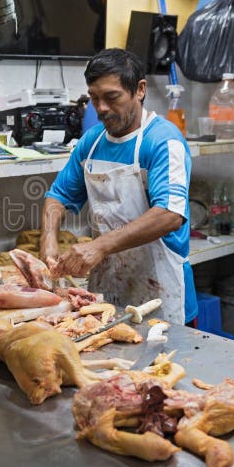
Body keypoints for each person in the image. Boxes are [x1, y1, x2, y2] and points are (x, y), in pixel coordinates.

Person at [41, 49, 196, 324]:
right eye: (94, 98)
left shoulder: (163, 140)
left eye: (112, 97)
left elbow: (170, 214)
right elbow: (58, 196)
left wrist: (99, 246)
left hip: (161, 294)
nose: (101, 108)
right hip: (106, 294)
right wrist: (48, 238)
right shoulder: (92, 142)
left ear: (139, 90)